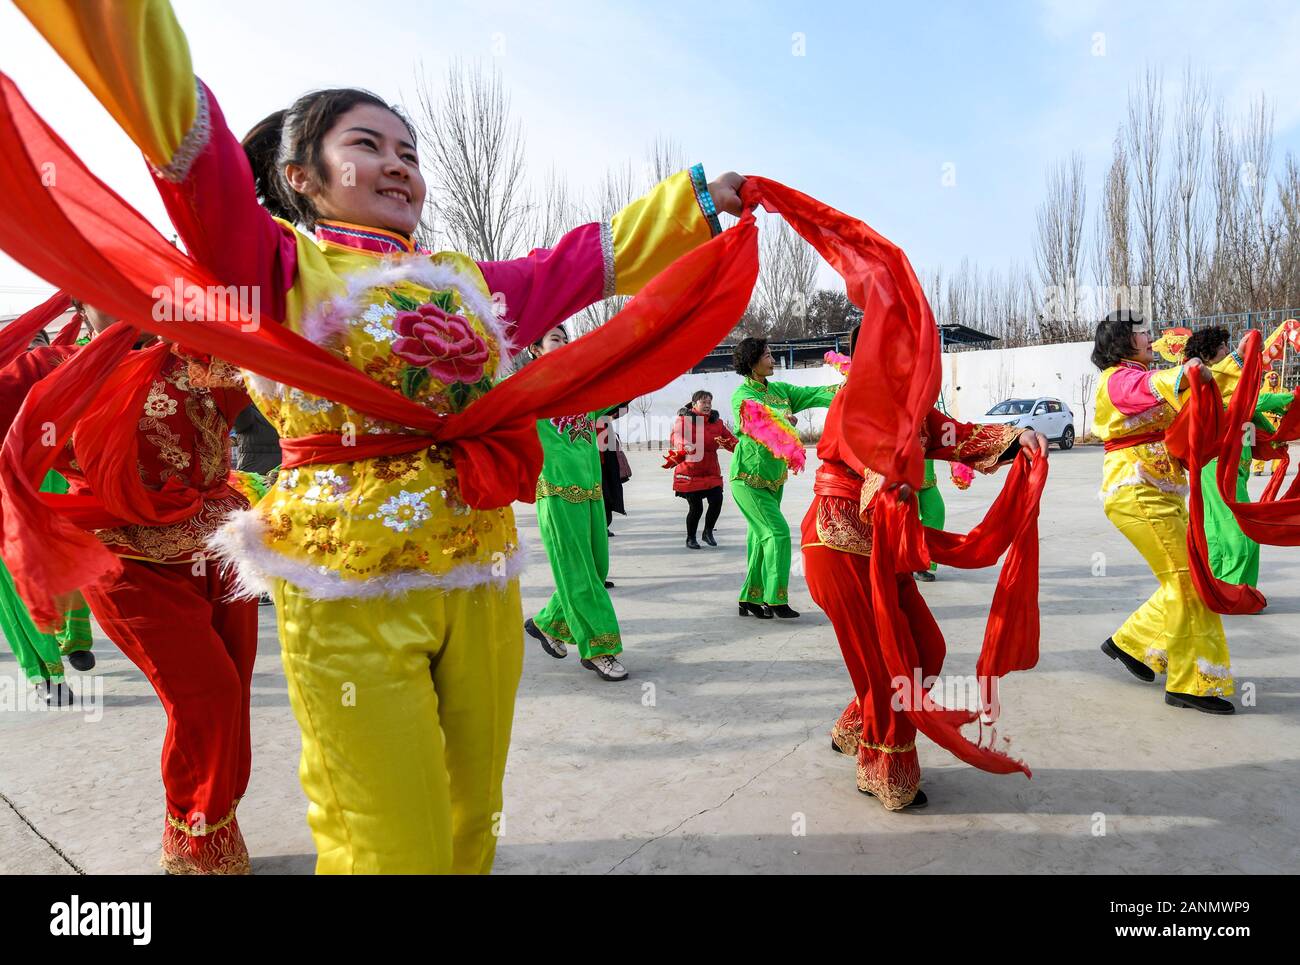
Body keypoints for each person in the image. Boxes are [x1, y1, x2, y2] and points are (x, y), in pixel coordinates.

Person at [13, 0, 745, 872]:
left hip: (479, 572)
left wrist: (697, 203)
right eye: (367, 145)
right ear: (302, 175)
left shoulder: (469, 282)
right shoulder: (278, 267)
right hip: (347, 582)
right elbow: (190, 146)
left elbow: (579, 260)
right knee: (386, 838)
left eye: (409, 153)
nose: (398, 166)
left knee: (472, 819)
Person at [0, 299, 257, 874]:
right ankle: (195, 843)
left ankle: (215, 827)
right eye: (102, 276)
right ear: (77, 285)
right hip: (125, 561)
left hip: (219, 547)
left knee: (232, 692)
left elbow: (284, 364)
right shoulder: (48, 369)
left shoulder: (200, 355)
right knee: (206, 694)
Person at [804, 329, 1043, 810]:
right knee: (888, 667)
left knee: (925, 650)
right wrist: (892, 478)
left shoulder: (910, 406)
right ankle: (885, 769)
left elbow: (956, 435)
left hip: (881, 544)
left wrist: (1017, 438)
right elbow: (866, 451)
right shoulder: (858, 398)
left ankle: (857, 724)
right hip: (839, 542)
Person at [1091, 310, 1248, 715]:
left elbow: (1200, 392)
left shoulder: (1145, 376)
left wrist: (1236, 366)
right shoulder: (1119, 379)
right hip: (1136, 490)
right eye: (1141, 332)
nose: (1149, 337)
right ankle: (1193, 683)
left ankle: (1134, 644)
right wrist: (1184, 374)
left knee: (1186, 577)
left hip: (1159, 492)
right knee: (1190, 583)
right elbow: (1158, 385)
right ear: (1122, 340)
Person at [524, 327, 632, 681]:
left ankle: (549, 623)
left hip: (590, 491)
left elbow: (624, 383)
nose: (564, 343)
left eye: (566, 339)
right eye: (555, 337)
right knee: (580, 574)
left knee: (596, 569)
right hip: (556, 491)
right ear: (535, 349)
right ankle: (600, 648)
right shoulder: (526, 388)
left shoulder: (583, 390)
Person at [729, 338, 838, 618]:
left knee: (760, 540)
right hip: (747, 479)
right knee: (777, 534)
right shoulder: (741, 395)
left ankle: (749, 598)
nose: (773, 359)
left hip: (773, 479)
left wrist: (850, 389)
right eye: (767, 355)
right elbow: (756, 416)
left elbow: (815, 394)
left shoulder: (781, 390)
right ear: (752, 362)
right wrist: (781, 417)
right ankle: (776, 598)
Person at [1183, 327, 1292, 591]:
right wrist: (1289, 398)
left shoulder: (1228, 387)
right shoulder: (1203, 383)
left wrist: (1273, 437)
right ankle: (1230, 590)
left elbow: (1249, 413)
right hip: (1215, 467)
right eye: (1223, 347)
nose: (1228, 352)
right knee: (1236, 531)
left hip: (1235, 469)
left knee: (1224, 530)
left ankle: (1223, 586)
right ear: (1207, 356)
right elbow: (1252, 399)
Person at [665, 390, 738, 548]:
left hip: (711, 471)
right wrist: (684, 445)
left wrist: (743, 447)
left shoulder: (717, 423)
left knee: (717, 500)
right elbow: (676, 436)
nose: (707, 405)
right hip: (690, 472)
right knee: (696, 508)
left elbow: (731, 441)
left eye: (709, 403)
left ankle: (708, 532)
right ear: (694, 404)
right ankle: (690, 538)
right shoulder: (684, 421)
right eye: (703, 402)